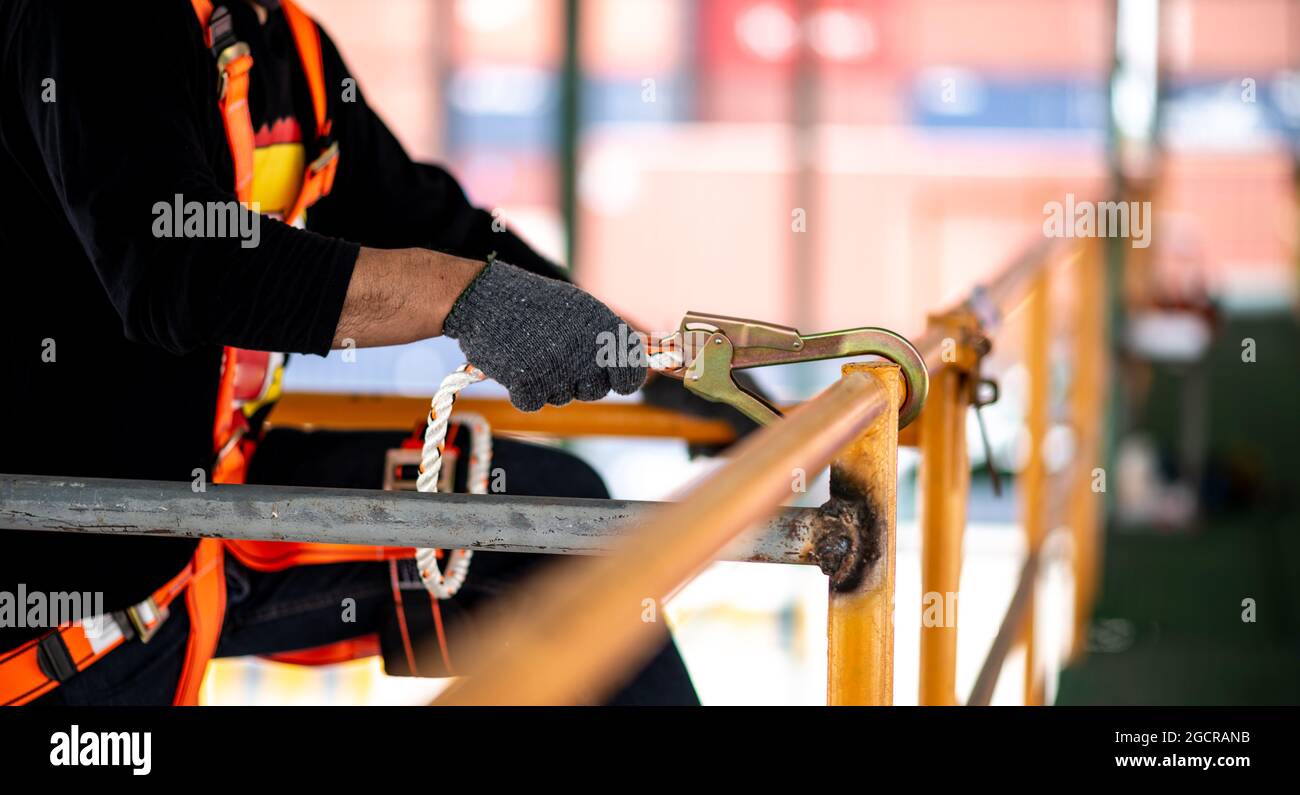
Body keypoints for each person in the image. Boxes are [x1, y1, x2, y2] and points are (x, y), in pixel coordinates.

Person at [0, 0, 698, 705]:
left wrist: (644, 355)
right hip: (71, 594)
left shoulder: (287, 49)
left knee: (564, 527)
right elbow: (178, 269)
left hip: (219, 512)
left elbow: (424, 219)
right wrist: (462, 297)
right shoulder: (86, 21)